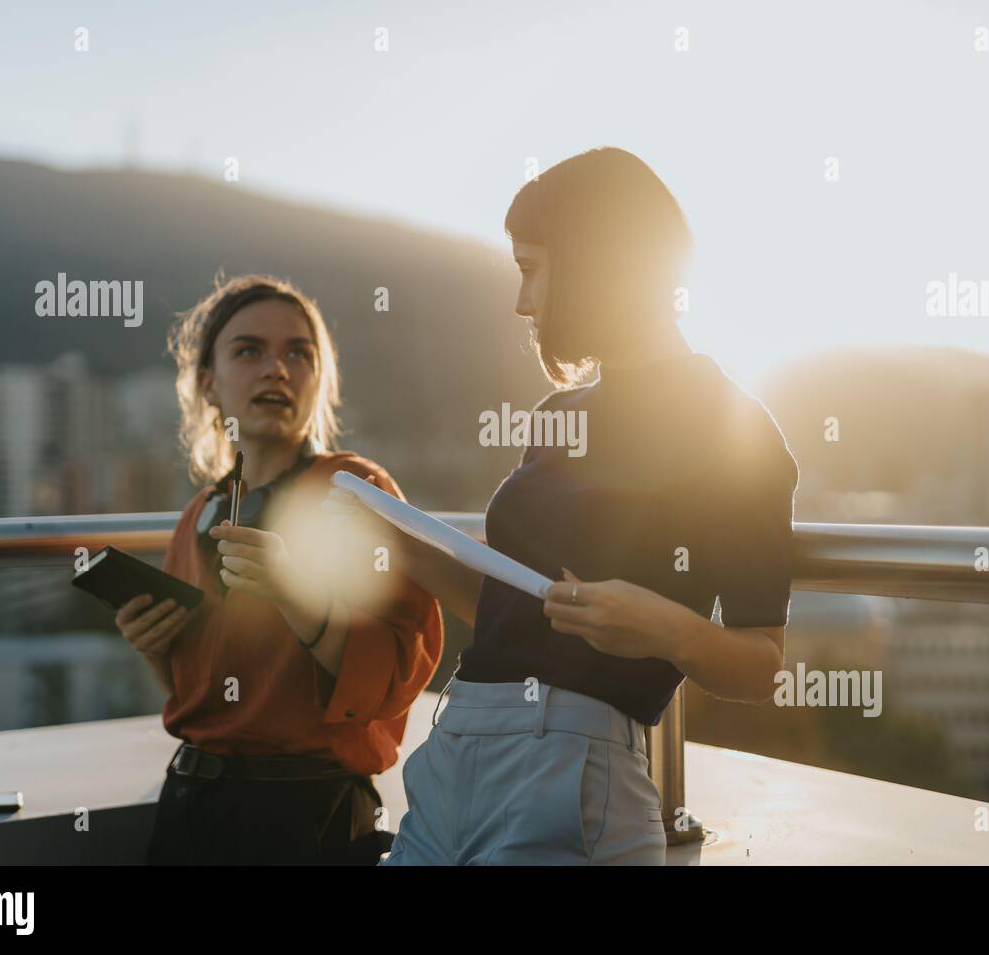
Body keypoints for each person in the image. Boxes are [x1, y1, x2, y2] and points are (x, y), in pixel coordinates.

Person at [331, 147, 799, 865]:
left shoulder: (732, 429)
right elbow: (507, 610)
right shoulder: (558, 414)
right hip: (457, 748)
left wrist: (662, 627)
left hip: (572, 769)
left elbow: (762, 666)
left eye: (531, 268)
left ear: (597, 263)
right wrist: (398, 545)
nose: (523, 302)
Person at [116, 273, 444, 865]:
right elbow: (201, 697)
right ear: (208, 384)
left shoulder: (356, 492)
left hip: (308, 813)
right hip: (190, 801)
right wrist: (152, 646)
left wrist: (297, 596)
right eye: (249, 351)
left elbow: (399, 672)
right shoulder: (202, 510)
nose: (278, 369)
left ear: (320, 381)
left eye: (300, 353)